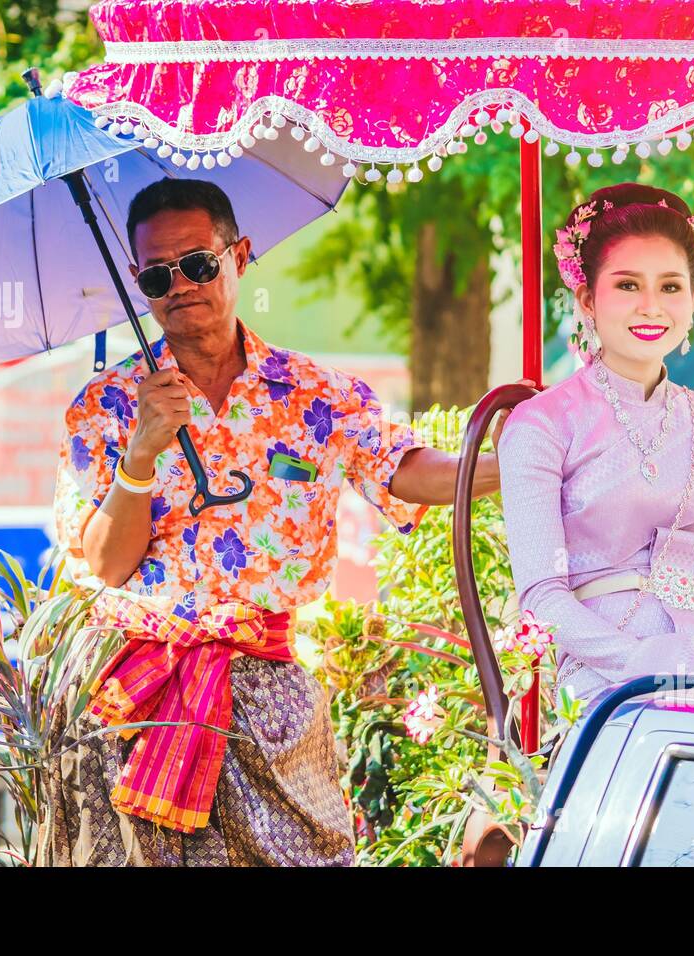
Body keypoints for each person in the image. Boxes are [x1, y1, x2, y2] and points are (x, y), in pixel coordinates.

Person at [38, 178, 512, 866]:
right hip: (136, 695)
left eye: (199, 263)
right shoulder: (108, 405)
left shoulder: (314, 394)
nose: (181, 285)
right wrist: (141, 451)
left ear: (240, 256)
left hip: (269, 691)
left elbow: (403, 469)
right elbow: (107, 564)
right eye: (156, 275)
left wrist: (518, 463)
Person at [496, 183, 694, 704]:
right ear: (588, 298)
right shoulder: (541, 425)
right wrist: (649, 663)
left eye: (671, 287)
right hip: (607, 680)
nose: (652, 307)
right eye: (628, 285)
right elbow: (542, 599)